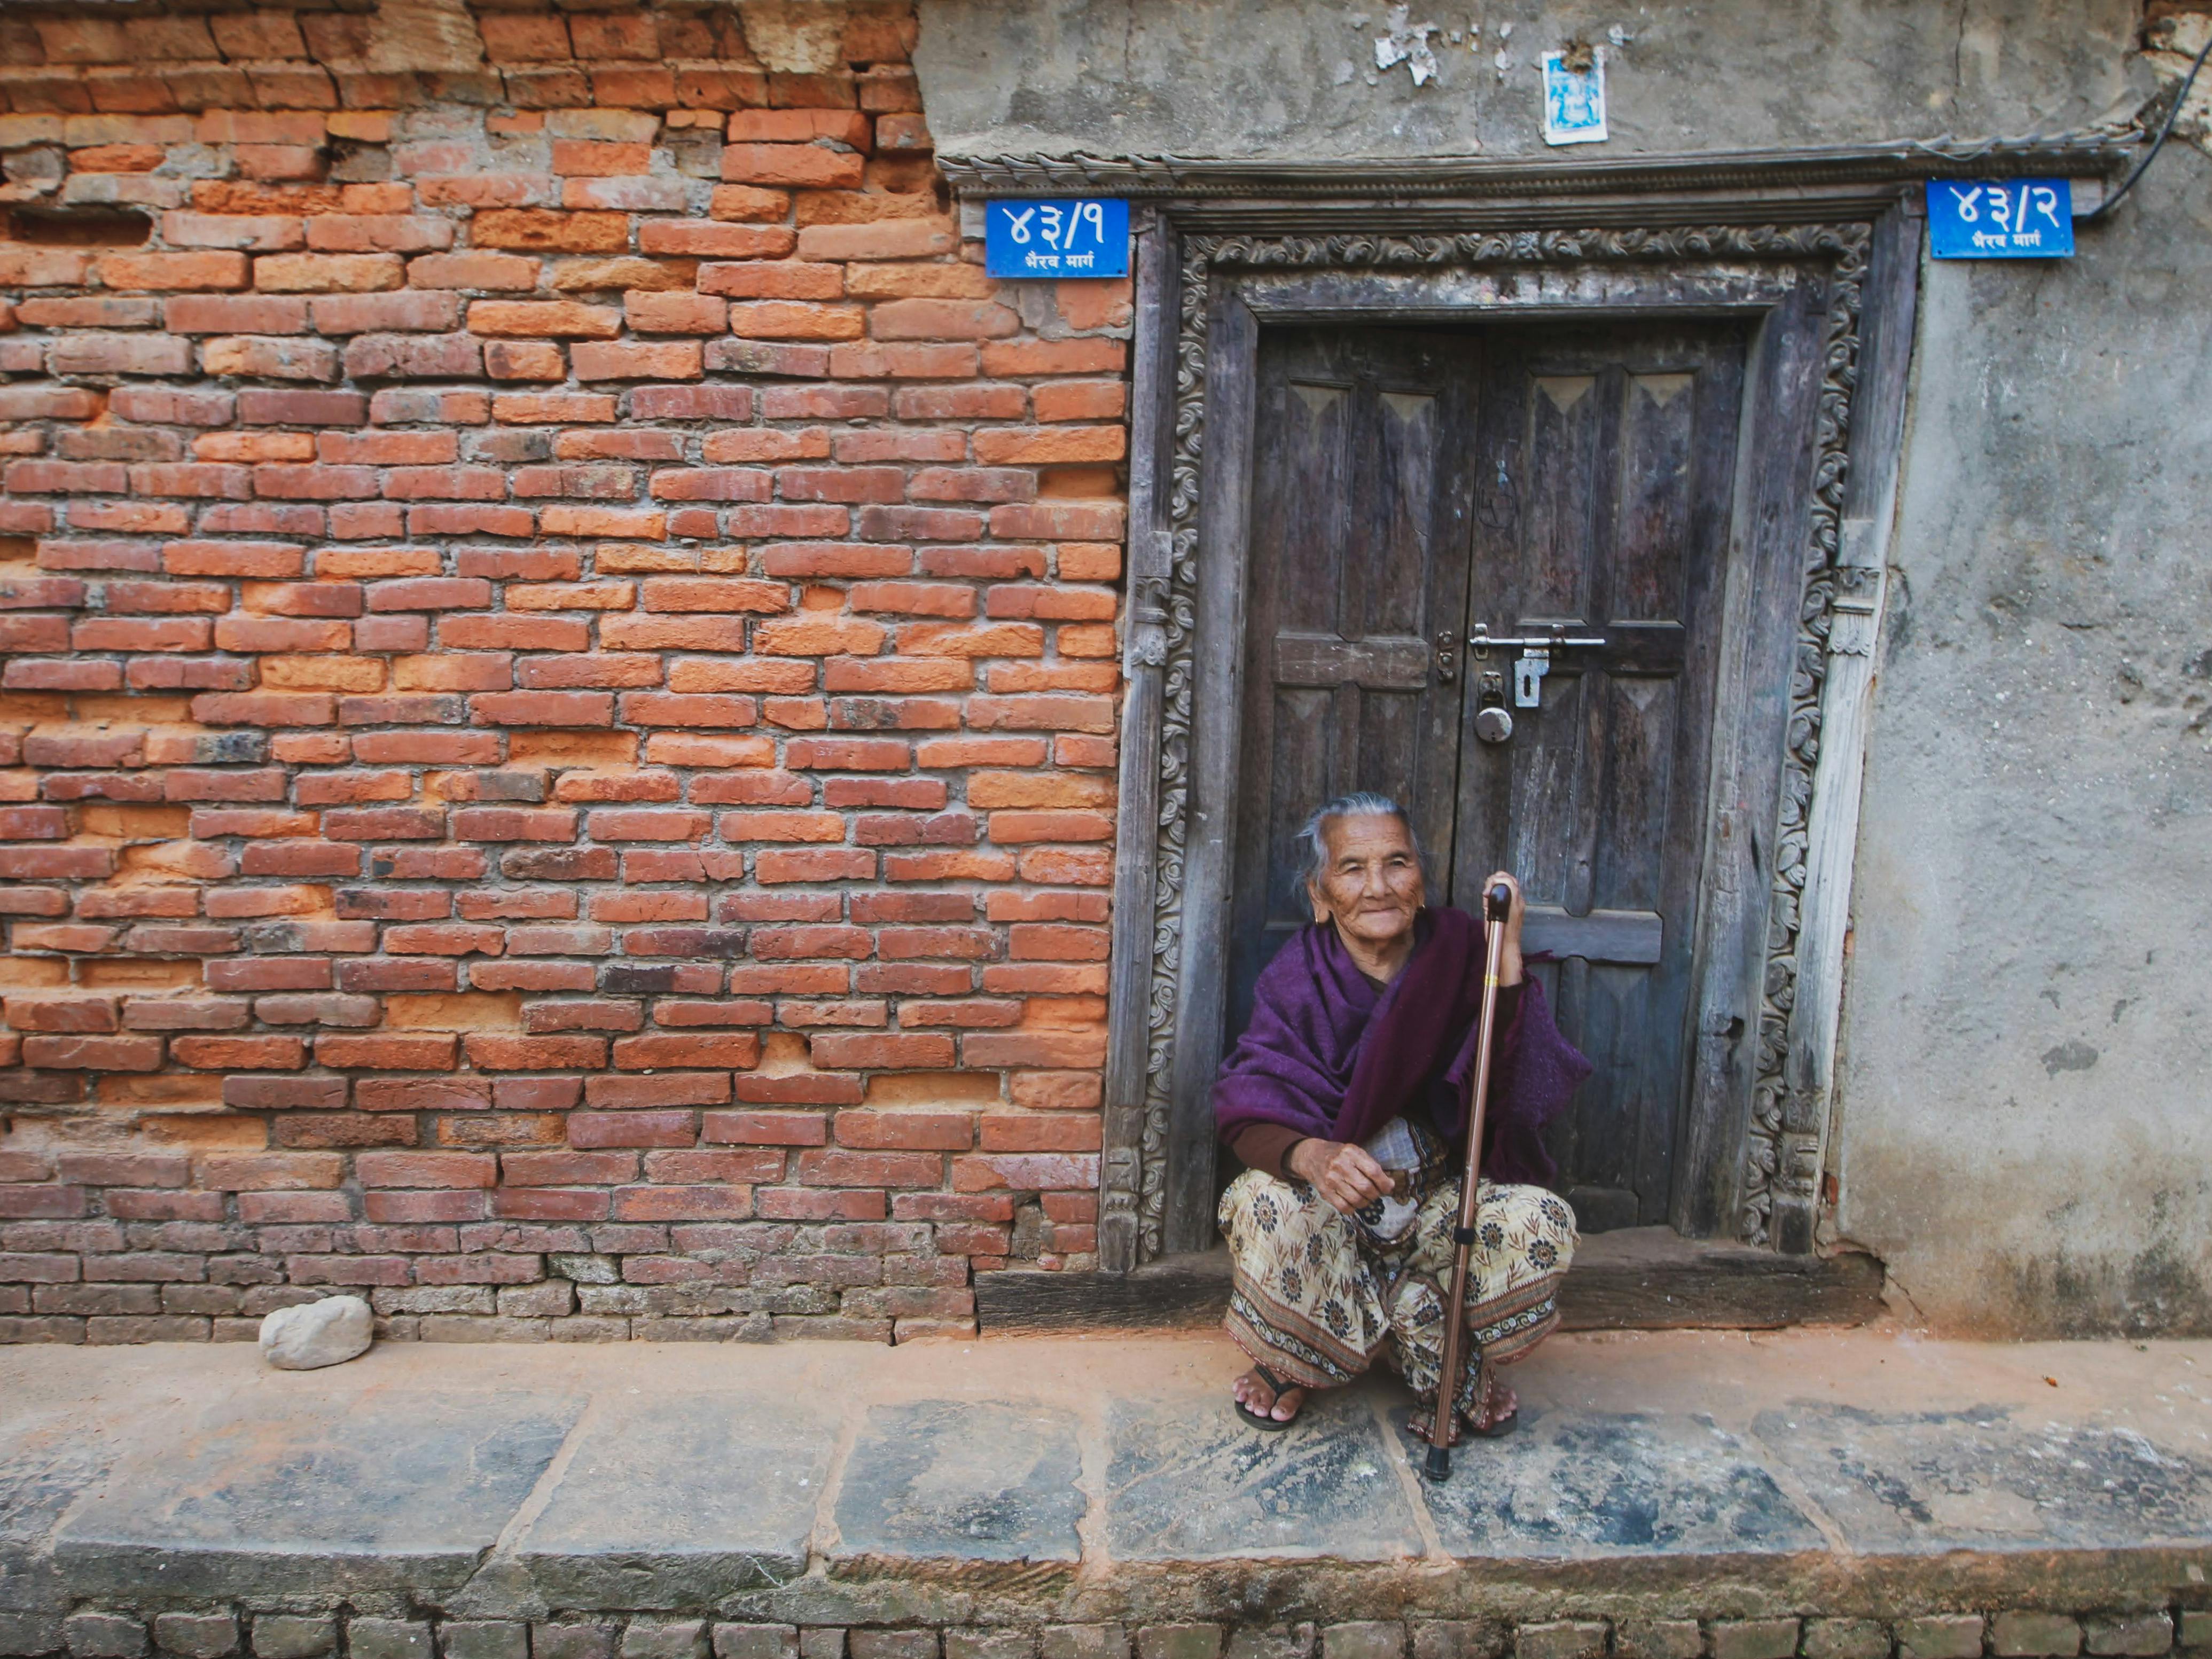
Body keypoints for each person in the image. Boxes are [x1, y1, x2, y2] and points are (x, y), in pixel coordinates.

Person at [1213, 793, 1590, 1438]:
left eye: (1397, 862)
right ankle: (1302, 1353)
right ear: (1319, 893)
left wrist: (1506, 964)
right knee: (1258, 1201)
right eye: (1352, 868)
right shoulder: (1297, 976)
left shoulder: (1462, 952)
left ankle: (1413, 1331)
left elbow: (1518, 1099)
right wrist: (1313, 1155)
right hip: (1338, 1222)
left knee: (1540, 1218)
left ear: (1421, 879)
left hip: (1440, 1219)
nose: (1378, 886)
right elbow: (1247, 1107)